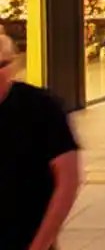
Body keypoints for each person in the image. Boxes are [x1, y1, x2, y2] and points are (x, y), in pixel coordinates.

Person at [0, 32, 81, 250]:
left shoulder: (41, 107)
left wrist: (40, 244)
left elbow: (67, 179)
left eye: (2, 65)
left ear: (15, 64)